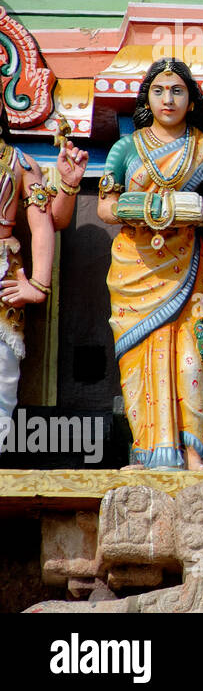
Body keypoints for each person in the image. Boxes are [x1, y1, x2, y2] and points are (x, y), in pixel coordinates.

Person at [99, 58, 203, 470]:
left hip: (185, 266)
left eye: (177, 91)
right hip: (134, 267)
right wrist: (141, 208)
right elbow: (104, 207)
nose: (168, 99)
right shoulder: (126, 147)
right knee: (137, 359)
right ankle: (144, 451)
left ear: (191, 101)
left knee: (188, 358)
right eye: (159, 91)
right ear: (147, 99)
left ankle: (192, 454)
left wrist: (185, 211)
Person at [0, 103, 55, 450]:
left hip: (3, 270)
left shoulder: (20, 163)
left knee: (2, 369)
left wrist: (38, 284)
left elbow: (42, 223)